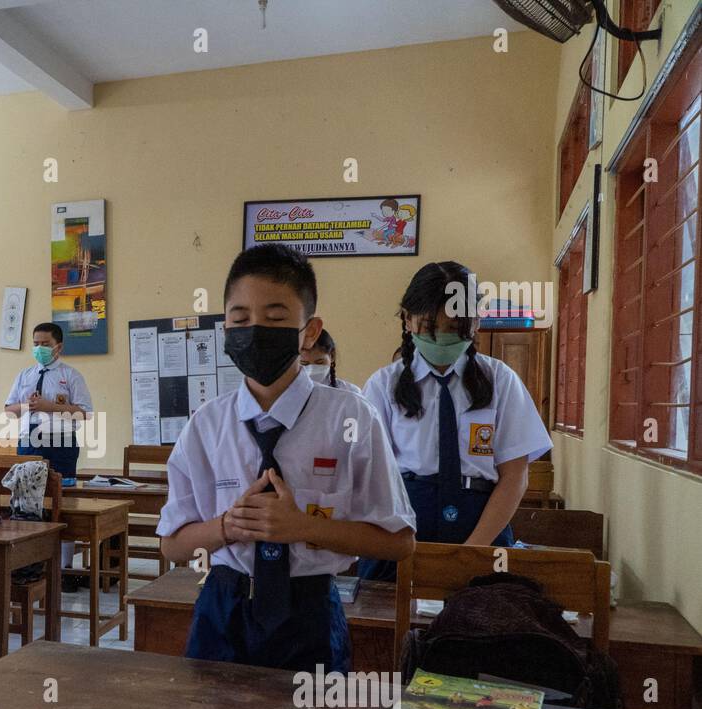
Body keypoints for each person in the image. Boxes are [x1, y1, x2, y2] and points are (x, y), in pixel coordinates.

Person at [157, 244, 415, 672]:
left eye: (275, 319)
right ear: (225, 328)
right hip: (222, 608)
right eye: (240, 320)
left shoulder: (350, 418)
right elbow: (172, 544)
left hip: (310, 610)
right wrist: (226, 526)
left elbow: (398, 541)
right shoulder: (206, 425)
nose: (255, 330)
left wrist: (304, 528)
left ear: (309, 332)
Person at [359, 261, 552, 580]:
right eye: (429, 327)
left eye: (453, 329)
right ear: (408, 320)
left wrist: (471, 551)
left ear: (475, 322)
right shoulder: (384, 386)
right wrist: (395, 541)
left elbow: (515, 476)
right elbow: (370, 474)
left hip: (482, 527)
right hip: (400, 525)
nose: (441, 339)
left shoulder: (501, 381)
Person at [2, 321, 93, 589]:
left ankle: (65, 570)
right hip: (29, 443)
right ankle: (30, 565)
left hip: (61, 444)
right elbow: (9, 409)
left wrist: (49, 406)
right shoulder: (25, 375)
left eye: (45, 344)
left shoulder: (71, 376)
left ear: (58, 347)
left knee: (61, 506)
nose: (40, 348)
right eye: (36, 344)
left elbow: (84, 413)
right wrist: (26, 405)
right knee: (28, 504)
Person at [298, 327, 362, 395]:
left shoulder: (351, 392)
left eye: (319, 363)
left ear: (332, 356)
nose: (312, 369)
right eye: (304, 363)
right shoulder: (289, 392)